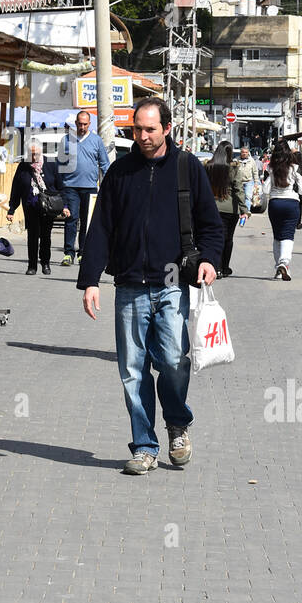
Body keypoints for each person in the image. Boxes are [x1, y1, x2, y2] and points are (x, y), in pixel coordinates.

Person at [77, 98, 223, 476]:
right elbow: (101, 228)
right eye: (136, 129)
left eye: (149, 129)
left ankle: (177, 423)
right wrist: (90, 280)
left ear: (167, 129)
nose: (141, 136)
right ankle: (144, 445)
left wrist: (208, 259)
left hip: (173, 278)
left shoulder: (187, 168)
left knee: (174, 360)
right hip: (128, 284)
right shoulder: (120, 172)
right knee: (133, 371)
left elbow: (211, 224)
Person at [56, 109, 109, 265]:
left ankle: (83, 253)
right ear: (76, 123)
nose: (82, 127)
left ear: (89, 124)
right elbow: (59, 165)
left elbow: (104, 164)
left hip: (90, 187)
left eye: (85, 124)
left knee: (87, 221)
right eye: (80, 124)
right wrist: (60, 187)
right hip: (70, 186)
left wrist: (108, 184)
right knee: (71, 218)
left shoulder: (96, 141)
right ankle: (68, 253)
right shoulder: (66, 140)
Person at [7, 139, 67, 276]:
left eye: (37, 154)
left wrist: (65, 206)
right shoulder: (23, 166)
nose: (34, 157)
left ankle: (45, 263)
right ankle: (32, 265)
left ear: (41, 152)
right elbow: (16, 189)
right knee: (32, 236)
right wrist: (12, 209)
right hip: (31, 206)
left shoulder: (51, 164)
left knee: (46, 236)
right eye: (31, 154)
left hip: (48, 206)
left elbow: (61, 187)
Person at [261, 146, 302, 281]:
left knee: (277, 236)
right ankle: (284, 262)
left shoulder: (272, 169)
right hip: (291, 203)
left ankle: (279, 269)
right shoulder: (295, 169)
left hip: (275, 204)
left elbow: (265, 189)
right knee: (288, 235)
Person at [203, 140, 246, 277]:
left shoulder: (208, 166)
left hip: (211, 207)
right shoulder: (234, 168)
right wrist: (244, 210)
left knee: (214, 237)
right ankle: (224, 267)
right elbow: (238, 189)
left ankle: (216, 266)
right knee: (228, 238)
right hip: (230, 208)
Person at [233, 145, 260, 215]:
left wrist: (256, 182)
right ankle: (238, 210)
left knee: (248, 196)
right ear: (240, 153)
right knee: (238, 196)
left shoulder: (251, 161)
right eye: (243, 152)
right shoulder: (236, 160)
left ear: (248, 153)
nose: (244, 153)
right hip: (239, 182)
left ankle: (247, 210)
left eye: (246, 152)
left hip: (248, 182)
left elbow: (255, 172)